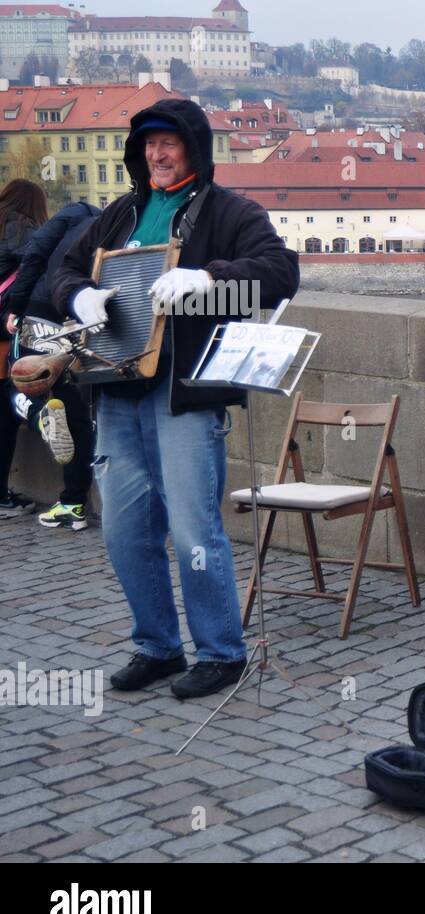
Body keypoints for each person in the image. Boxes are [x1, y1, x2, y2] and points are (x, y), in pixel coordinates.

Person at [51, 99, 300, 699]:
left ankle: (220, 652)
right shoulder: (119, 215)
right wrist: (80, 295)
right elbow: (61, 270)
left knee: (194, 531)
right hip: (116, 388)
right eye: (148, 146)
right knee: (124, 530)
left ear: (194, 147)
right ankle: (156, 646)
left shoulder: (229, 211)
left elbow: (279, 272)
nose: (157, 155)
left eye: (169, 144)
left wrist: (209, 277)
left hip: (184, 396)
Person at [4, 199, 100, 529]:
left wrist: (16, 306)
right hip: (78, 313)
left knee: (18, 381)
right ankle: (74, 501)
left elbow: (34, 257)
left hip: (41, 306)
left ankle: (37, 416)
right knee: (76, 412)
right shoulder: (109, 224)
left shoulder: (69, 214)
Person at [0, 179, 49, 513]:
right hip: (3, 333)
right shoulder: (19, 225)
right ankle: (38, 417)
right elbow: (36, 258)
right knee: (5, 415)